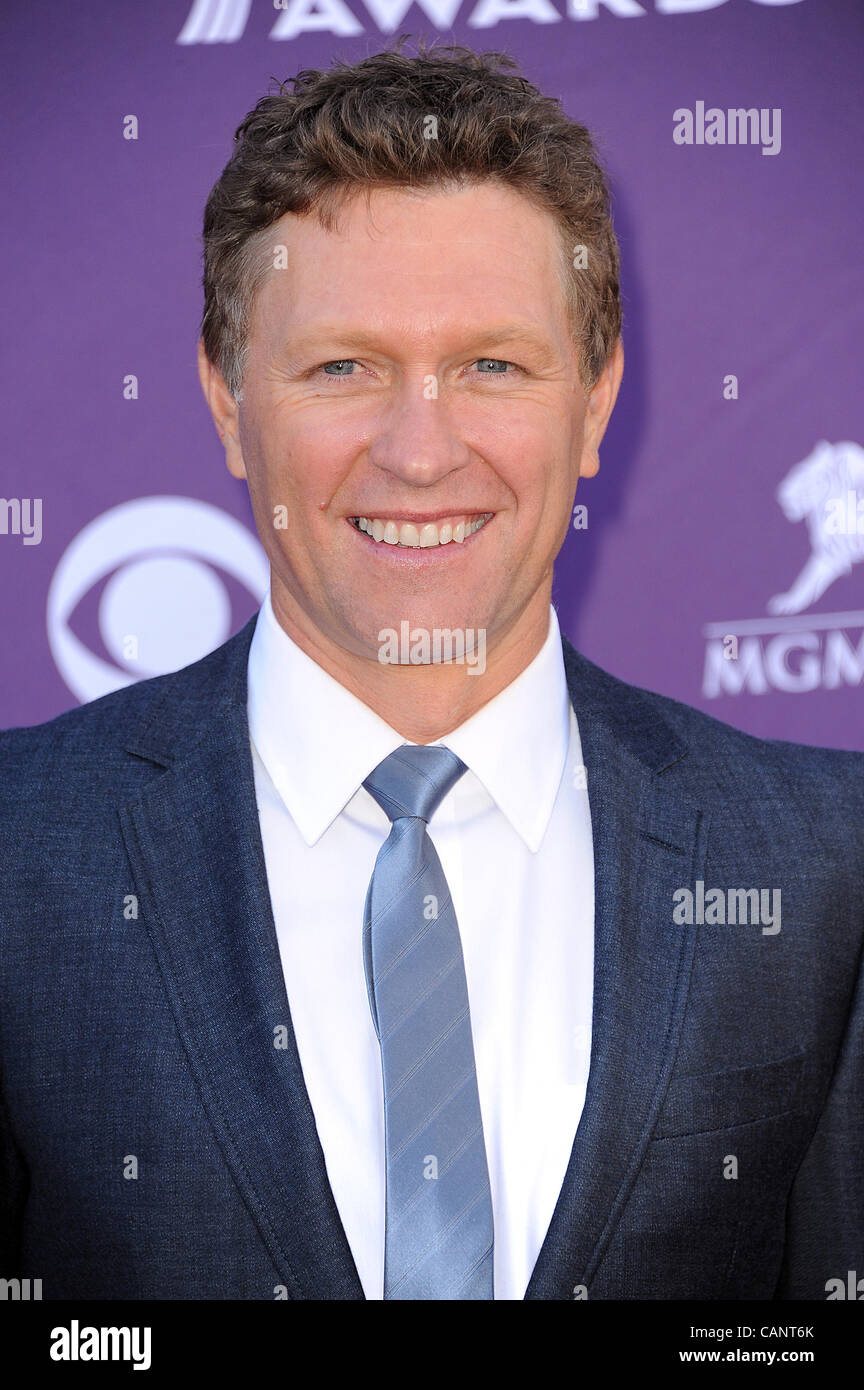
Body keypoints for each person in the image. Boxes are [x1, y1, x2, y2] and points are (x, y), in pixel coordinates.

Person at [1, 42, 861, 1302]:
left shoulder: (825, 863)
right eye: (343, 366)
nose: (419, 451)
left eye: (492, 366)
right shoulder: (21, 850)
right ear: (229, 399)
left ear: (598, 397)